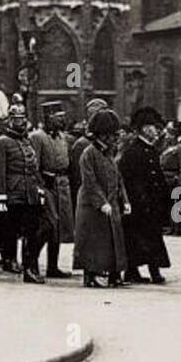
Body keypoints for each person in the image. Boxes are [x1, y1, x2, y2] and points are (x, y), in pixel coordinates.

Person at [0, 97, 46, 283]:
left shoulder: (27, 141)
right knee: (5, 233)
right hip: (12, 194)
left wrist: (39, 190)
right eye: (16, 118)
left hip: (30, 194)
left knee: (32, 233)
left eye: (22, 118)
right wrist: (0, 198)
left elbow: (34, 169)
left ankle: (29, 269)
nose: (20, 121)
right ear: (10, 120)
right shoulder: (1, 142)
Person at [72, 108, 130, 288]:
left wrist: (125, 200)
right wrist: (101, 203)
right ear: (103, 135)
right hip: (92, 205)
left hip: (110, 202)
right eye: (112, 135)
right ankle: (90, 274)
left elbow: (118, 178)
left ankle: (112, 272)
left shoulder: (109, 153)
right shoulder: (89, 153)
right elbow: (90, 182)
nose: (115, 138)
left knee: (112, 241)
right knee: (93, 242)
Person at [119, 105, 172, 284]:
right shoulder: (133, 152)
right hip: (140, 204)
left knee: (150, 237)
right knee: (138, 239)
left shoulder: (150, 150)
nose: (156, 130)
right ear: (143, 129)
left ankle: (148, 270)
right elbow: (131, 180)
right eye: (152, 127)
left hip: (151, 203)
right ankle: (136, 271)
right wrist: (142, 199)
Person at [30, 100, 75, 278]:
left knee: (58, 227)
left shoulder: (63, 137)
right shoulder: (38, 137)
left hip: (62, 185)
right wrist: (40, 187)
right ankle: (31, 261)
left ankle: (52, 267)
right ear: (49, 118)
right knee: (48, 225)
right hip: (46, 184)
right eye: (58, 117)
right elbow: (34, 166)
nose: (62, 121)